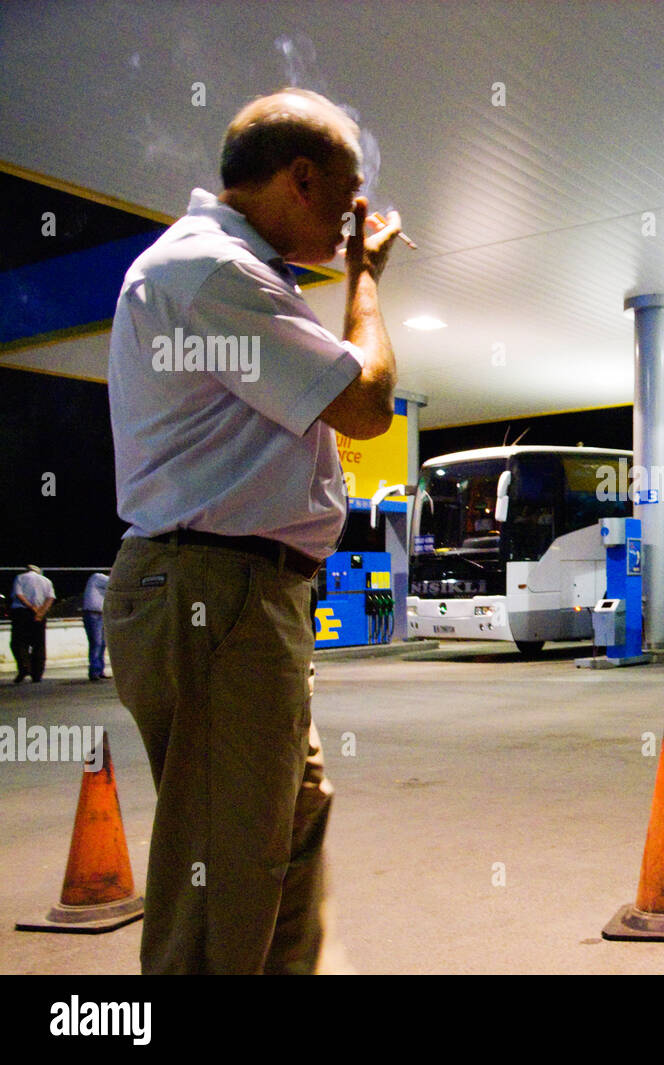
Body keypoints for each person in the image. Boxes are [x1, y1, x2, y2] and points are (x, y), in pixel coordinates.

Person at [104, 88, 402, 974]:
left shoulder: (233, 274)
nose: (355, 221)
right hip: (215, 593)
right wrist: (367, 281)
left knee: (286, 838)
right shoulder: (210, 273)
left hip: (241, 592)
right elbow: (366, 401)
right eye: (349, 198)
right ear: (302, 180)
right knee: (219, 884)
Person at [10, 565, 55, 683]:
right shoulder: (46, 581)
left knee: (18, 642)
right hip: (40, 614)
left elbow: (19, 595)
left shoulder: (20, 578)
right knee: (39, 644)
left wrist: (31, 607)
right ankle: (37, 674)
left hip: (22, 613)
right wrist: (41, 612)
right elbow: (50, 598)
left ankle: (24, 666)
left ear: (27, 570)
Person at [82, 571, 110, 681]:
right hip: (93, 614)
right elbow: (113, 583)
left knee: (102, 643)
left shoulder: (101, 583)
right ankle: (94, 671)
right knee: (97, 643)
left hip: (101, 614)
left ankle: (99, 670)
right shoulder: (98, 577)